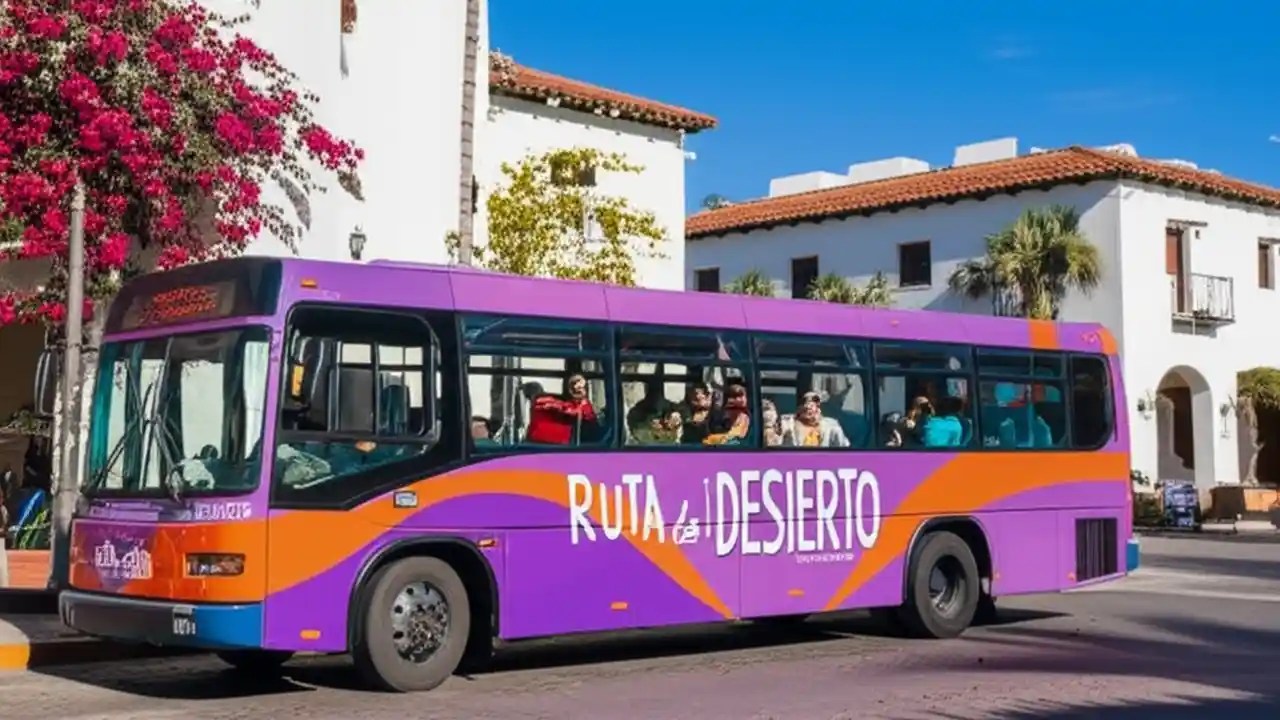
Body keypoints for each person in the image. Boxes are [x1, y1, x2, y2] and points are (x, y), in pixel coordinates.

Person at [526, 373, 597, 445]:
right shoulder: (545, 403)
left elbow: (580, 413)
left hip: (572, 442)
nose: (577, 387)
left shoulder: (584, 406)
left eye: (580, 386)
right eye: (573, 385)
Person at [781, 390, 850, 447]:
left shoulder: (831, 425)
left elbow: (844, 448)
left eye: (813, 404)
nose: (808, 406)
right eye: (805, 403)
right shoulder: (790, 423)